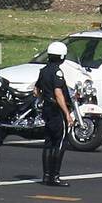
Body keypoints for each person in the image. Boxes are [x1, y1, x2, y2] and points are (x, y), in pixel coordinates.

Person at [36, 40, 76, 186]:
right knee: (59, 142)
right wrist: (66, 113)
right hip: (56, 110)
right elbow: (58, 93)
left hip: (47, 108)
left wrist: (44, 99)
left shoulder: (44, 70)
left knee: (48, 143)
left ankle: (46, 176)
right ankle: (54, 176)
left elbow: (36, 90)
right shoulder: (57, 72)